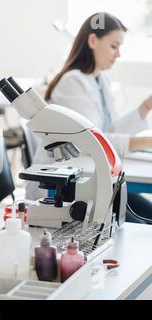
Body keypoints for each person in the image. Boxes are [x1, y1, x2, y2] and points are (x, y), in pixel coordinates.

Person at [29, 12, 152, 223]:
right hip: (67, 189)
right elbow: (92, 141)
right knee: (141, 225)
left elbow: (108, 128)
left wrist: (145, 107)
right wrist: (146, 141)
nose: (118, 54)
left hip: (95, 181)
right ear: (93, 40)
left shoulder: (100, 79)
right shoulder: (72, 82)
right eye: (114, 46)